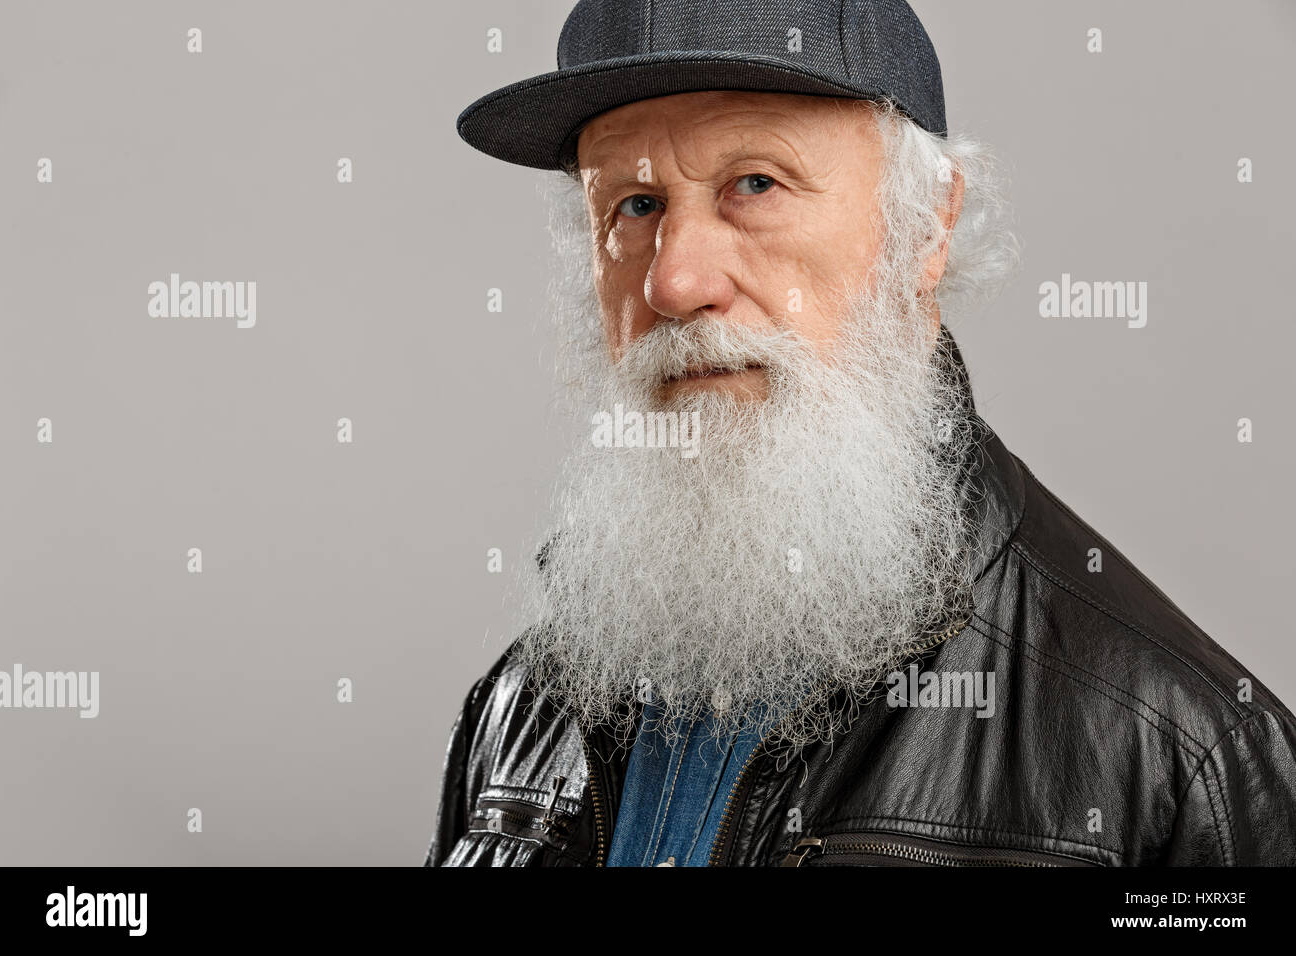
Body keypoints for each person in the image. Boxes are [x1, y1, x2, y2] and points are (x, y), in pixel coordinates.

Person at [427, 0, 1296, 866]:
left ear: (926, 227)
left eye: (755, 184)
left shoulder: (1180, 757)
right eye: (635, 203)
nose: (676, 280)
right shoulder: (520, 710)